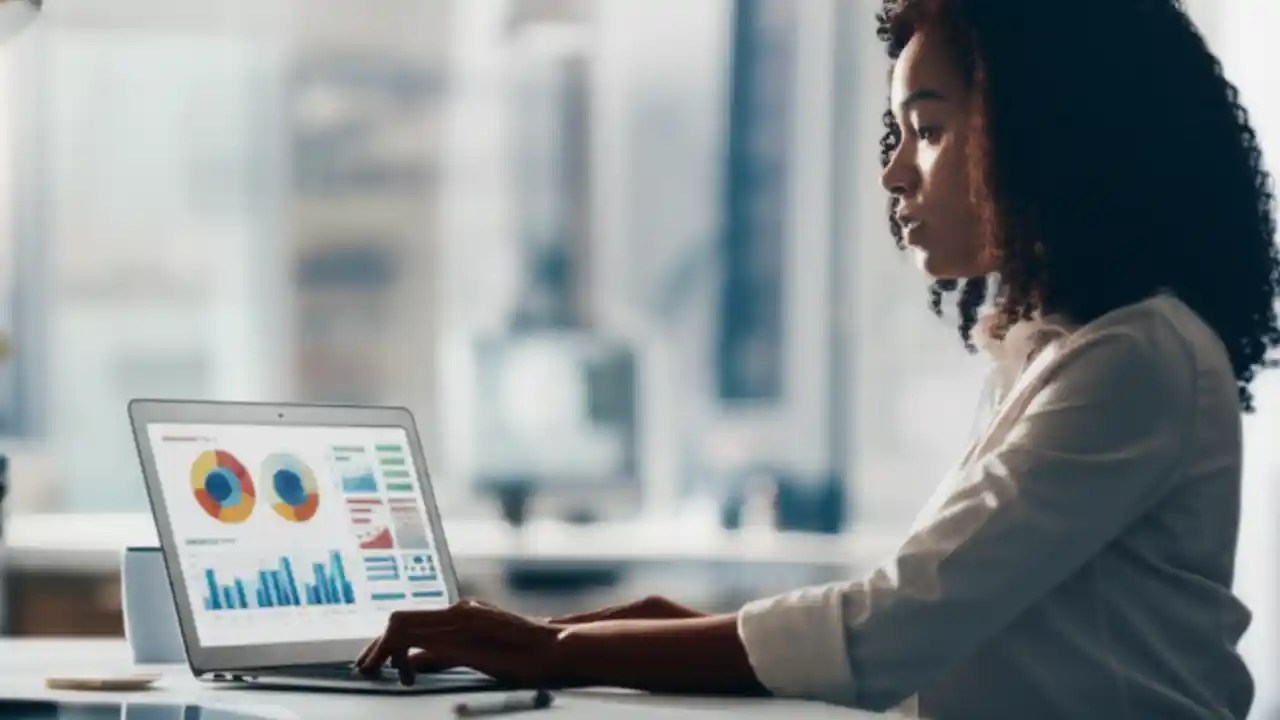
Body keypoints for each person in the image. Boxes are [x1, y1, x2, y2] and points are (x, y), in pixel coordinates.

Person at [357, 1, 1279, 717]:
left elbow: (893, 632)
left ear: (1050, 130)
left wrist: (556, 651)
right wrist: (636, 632)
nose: (894, 173)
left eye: (927, 128)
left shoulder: (1136, 360)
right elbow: (941, 628)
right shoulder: (1054, 354)